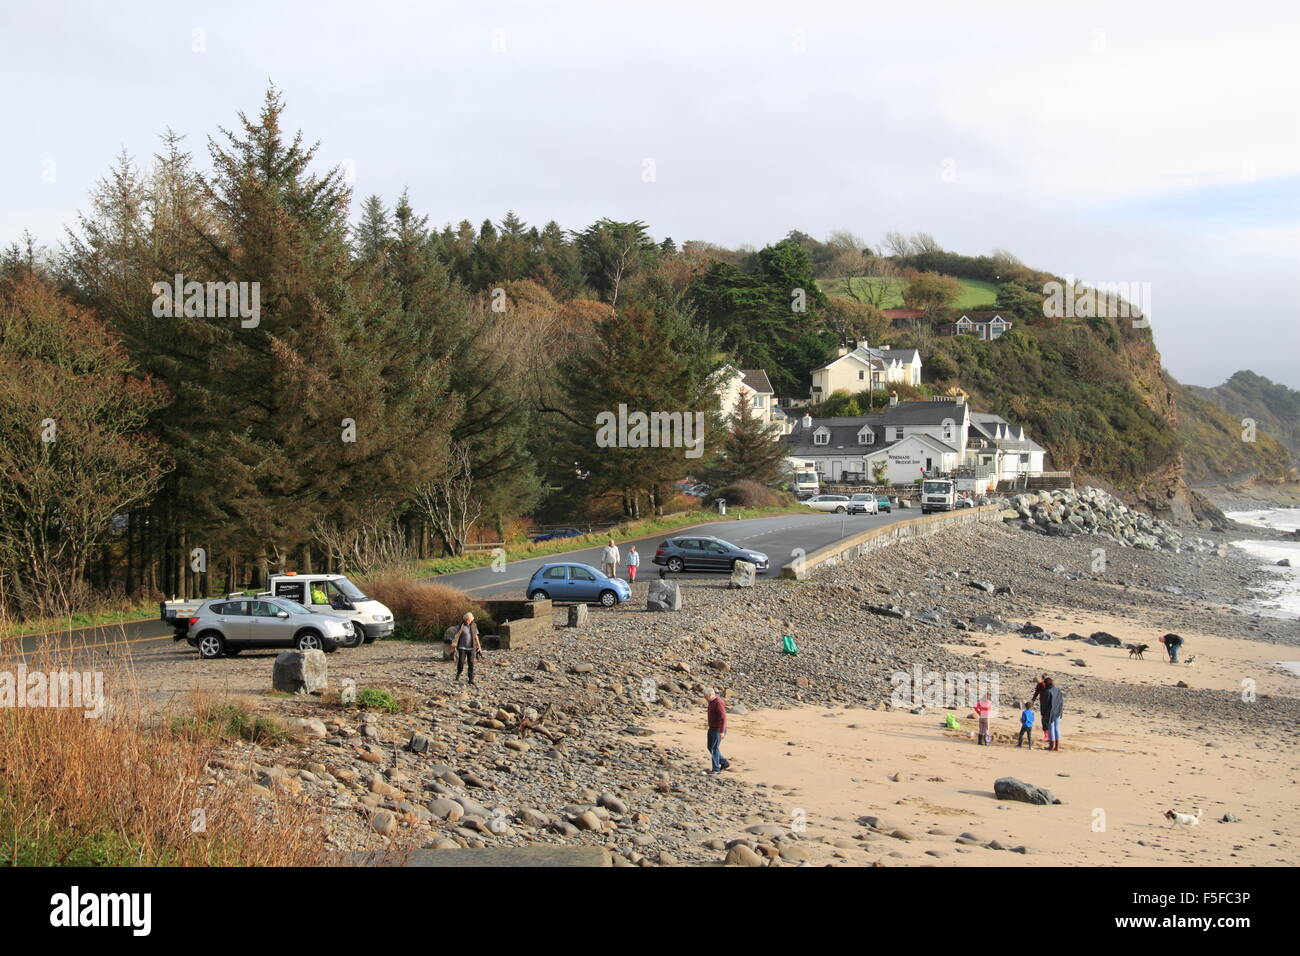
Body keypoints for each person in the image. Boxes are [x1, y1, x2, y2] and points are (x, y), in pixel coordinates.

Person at [705, 690, 730, 773]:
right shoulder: (711, 702)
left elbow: (723, 717)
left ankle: (716, 769)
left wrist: (722, 731)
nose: (705, 699)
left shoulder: (718, 702)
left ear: (711, 694)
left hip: (718, 729)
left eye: (706, 696)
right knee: (710, 747)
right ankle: (724, 762)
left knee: (714, 748)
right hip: (712, 728)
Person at [454, 612, 481, 685]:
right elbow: (456, 636)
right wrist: (453, 645)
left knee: (471, 664)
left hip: (471, 648)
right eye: (468, 620)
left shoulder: (474, 625)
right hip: (462, 647)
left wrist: (479, 647)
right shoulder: (461, 626)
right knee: (461, 663)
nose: (469, 621)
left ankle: (471, 679)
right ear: (466, 619)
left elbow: (476, 637)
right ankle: (458, 673)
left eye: (470, 620)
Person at [1041, 677, 1064, 751]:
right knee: (1057, 729)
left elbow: (1045, 704)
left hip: (1050, 713)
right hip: (1057, 711)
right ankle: (1056, 747)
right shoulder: (1058, 690)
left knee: (1051, 729)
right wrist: (1060, 712)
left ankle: (1051, 746)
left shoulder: (1047, 692)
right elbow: (1061, 702)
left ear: (1046, 684)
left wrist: (1043, 713)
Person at [1031, 674, 1050, 742]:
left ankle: (1047, 736)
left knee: (1045, 720)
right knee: (1046, 719)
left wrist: (1032, 701)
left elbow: (1036, 693)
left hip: (1046, 705)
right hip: (1046, 704)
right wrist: (1032, 700)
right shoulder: (1042, 684)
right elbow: (1036, 693)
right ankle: (1048, 735)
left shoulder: (1042, 684)